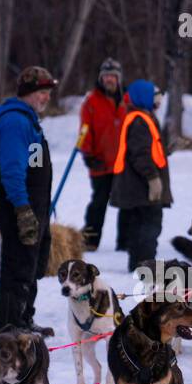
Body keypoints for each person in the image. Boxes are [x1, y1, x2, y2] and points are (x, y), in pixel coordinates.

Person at [0, 66, 59, 334]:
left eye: (48, 93)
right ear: (28, 93)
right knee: (18, 265)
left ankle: (23, 318)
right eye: (41, 92)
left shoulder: (29, 121)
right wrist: (22, 209)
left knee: (33, 266)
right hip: (19, 206)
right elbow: (12, 170)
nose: (46, 98)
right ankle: (8, 325)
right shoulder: (15, 122)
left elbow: (33, 166)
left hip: (35, 206)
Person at [110, 79, 173, 272]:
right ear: (144, 98)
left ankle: (139, 265)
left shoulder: (143, 117)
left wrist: (169, 149)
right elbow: (140, 155)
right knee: (149, 226)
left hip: (137, 187)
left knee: (140, 226)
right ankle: (145, 266)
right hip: (141, 188)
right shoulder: (139, 120)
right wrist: (153, 179)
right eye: (155, 97)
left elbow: (149, 151)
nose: (159, 101)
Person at [78, 58, 126, 249]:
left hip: (123, 163)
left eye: (113, 76)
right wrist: (88, 155)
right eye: (106, 76)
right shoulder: (91, 102)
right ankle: (90, 240)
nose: (109, 80)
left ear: (118, 78)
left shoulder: (126, 101)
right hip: (100, 161)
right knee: (98, 203)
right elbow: (85, 130)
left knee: (127, 204)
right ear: (101, 78)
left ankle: (125, 242)